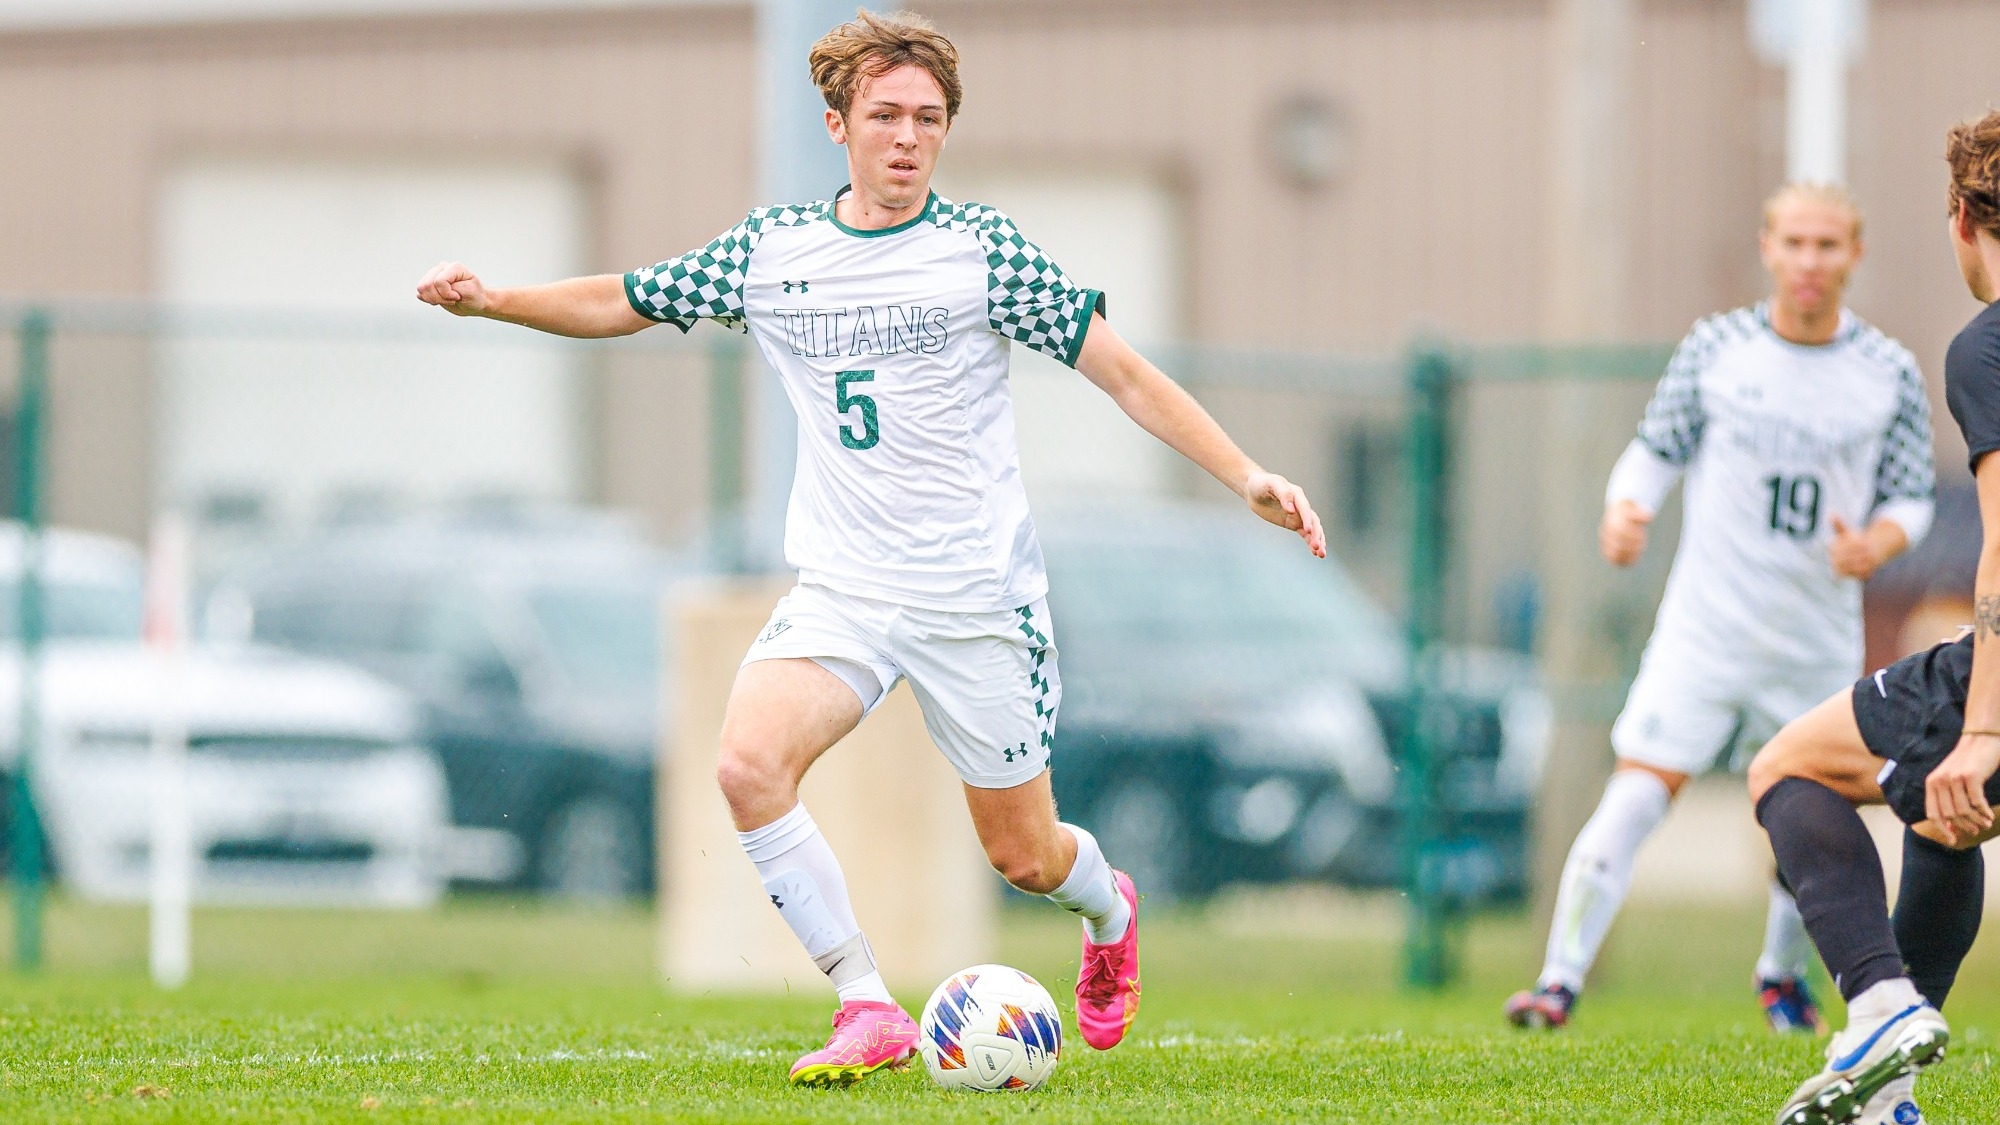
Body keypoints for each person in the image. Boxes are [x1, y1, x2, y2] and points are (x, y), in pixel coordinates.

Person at [414, 9, 1325, 1089]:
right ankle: (865, 1004)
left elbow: (1121, 372)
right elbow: (625, 298)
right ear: (837, 124)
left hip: (974, 601)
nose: (906, 137)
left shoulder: (980, 252)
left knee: (1023, 858)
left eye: (927, 119)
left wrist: (1248, 476)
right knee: (747, 765)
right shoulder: (774, 251)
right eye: (885, 115)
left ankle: (1106, 905)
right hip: (845, 588)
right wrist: (494, 302)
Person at [1505, 183, 1937, 1034]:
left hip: (1813, 633)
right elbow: (1652, 452)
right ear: (1768, 247)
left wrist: (1879, 543)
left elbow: (1913, 496)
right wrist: (1624, 509)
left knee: (1813, 810)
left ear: (1854, 252)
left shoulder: (1886, 369)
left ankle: (1781, 974)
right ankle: (1558, 982)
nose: (1810, 261)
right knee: (1637, 791)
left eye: (1827, 245)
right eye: (1795, 243)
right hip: (1706, 629)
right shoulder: (1717, 348)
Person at [1750, 109, 2000, 1125]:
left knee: (1790, 768)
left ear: (1957, 220)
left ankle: (1880, 1005)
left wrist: (1981, 726)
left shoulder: (1984, 347)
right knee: (1930, 805)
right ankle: (1883, 1086)